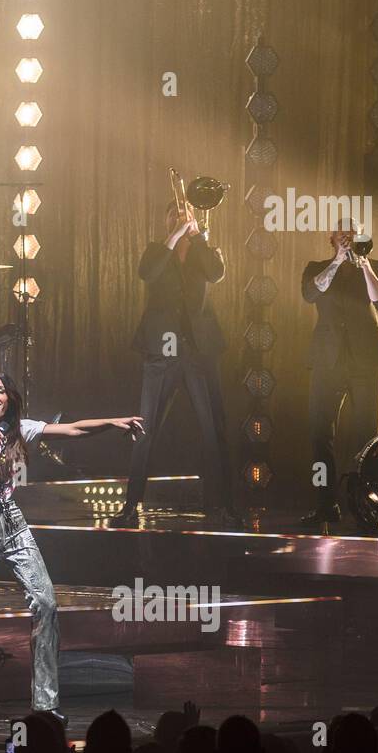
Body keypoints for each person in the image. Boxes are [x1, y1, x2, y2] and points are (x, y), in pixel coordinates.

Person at [0, 370, 142, 725]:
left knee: (46, 603)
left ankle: (45, 704)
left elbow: (72, 429)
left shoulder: (18, 428)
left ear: (9, 397)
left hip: (12, 521)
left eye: (0, 391)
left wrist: (112, 422)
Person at [111, 200, 237, 528]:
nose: (180, 218)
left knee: (212, 430)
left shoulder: (206, 249)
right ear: (167, 220)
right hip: (160, 351)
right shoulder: (158, 250)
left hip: (198, 351)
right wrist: (175, 237)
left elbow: (217, 273)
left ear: (195, 219)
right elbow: (146, 272)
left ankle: (220, 507)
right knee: (145, 429)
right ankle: (130, 507)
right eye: (174, 215)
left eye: (185, 214)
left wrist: (199, 238)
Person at [300, 217, 378, 526]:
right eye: (342, 233)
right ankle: (326, 505)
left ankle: (365, 506)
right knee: (319, 434)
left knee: (368, 436)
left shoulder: (377, 266)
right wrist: (338, 262)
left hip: (366, 359)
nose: (347, 237)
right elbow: (311, 293)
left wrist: (363, 263)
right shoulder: (316, 266)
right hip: (328, 360)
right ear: (331, 238)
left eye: (352, 232)